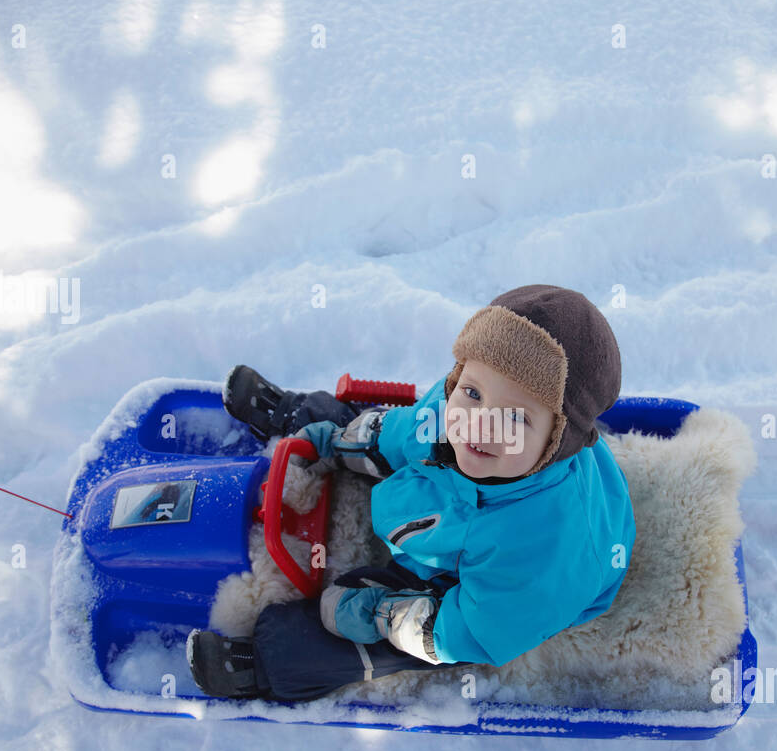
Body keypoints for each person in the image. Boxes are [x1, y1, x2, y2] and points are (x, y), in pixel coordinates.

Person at [188, 285, 636, 702]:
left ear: (557, 442)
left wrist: (386, 615)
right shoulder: (455, 413)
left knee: (347, 628)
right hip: (449, 508)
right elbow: (407, 431)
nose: (479, 424)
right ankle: (295, 415)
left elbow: (471, 631)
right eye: (473, 391)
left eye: (516, 418)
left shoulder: (543, 548)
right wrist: (341, 442)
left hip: (486, 591)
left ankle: (267, 664)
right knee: (363, 426)